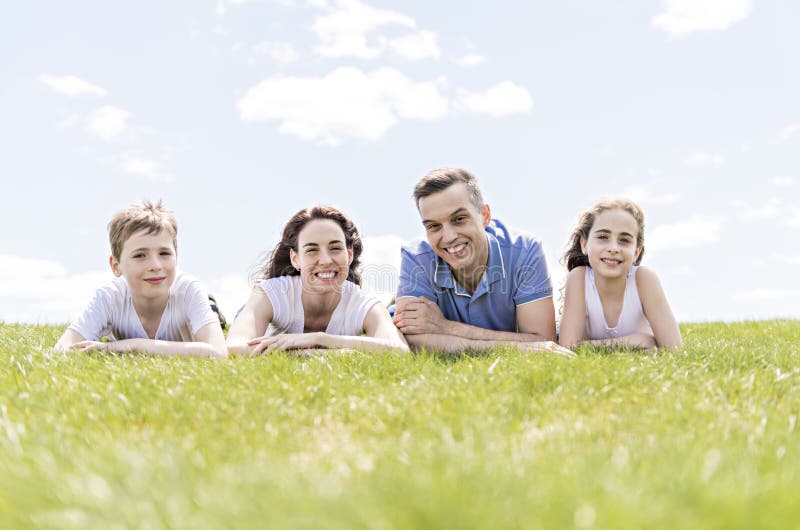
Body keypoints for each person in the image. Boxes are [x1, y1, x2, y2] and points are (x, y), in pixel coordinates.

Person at [393, 167, 573, 356]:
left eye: (459, 219)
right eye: (434, 226)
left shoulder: (525, 251)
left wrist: (446, 328)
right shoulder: (416, 256)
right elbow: (412, 339)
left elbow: (543, 340)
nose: (448, 237)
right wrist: (519, 347)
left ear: (485, 216)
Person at [226, 206, 409, 355]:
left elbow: (399, 350)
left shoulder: (363, 303)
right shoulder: (270, 293)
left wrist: (320, 339)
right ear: (295, 259)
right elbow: (235, 346)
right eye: (312, 250)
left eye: (335, 248)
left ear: (350, 254)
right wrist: (315, 353)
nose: (326, 260)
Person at [54, 200, 227, 358]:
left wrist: (131, 345)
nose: (156, 265)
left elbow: (219, 353)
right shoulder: (109, 297)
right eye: (140, 255)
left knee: (207, 310)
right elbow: (63, 349)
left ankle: (211, 310)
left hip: (192, 301)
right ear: (116, 266)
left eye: (164, 253)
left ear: (177, 256)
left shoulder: (189, 289)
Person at [557, 198, 682, 350]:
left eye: (624, 240)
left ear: (636, 252)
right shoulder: (579, 278)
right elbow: (568, 347)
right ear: (584, 244)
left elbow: (673, 347)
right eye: (603, 237)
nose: (614, 248)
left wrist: (592, 346)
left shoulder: (644, 279)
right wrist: (636, 341)